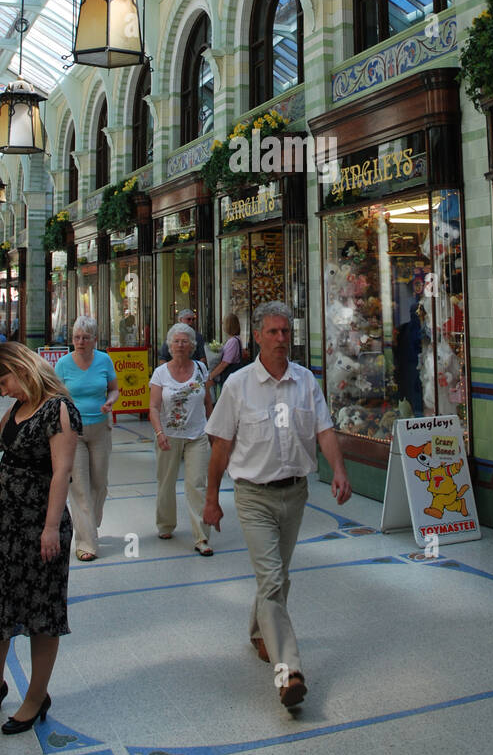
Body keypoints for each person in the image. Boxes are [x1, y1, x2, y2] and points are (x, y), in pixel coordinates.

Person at [203, 300, 352, 708]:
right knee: (272, 580)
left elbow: (324, 430)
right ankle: (290, 673)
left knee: (278, 575)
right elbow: (221, 447)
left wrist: (338, 470)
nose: (281, 339)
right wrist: (212, 499)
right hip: (253, 496)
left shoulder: (305, 381)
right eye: (273, 332)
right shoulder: (238, 386)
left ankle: (257, 631)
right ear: (256, 337)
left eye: (286, 332)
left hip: (296, 492)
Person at [0, 342, 79, 734]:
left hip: (41, 524)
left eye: (4, 381)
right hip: (7, 525)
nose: (3, 388)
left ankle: (36, 695)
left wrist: (49, 528)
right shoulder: (18, 406)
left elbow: (62, 473)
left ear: (22, 369)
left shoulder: (59, 409)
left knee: (41, 612)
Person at [54, 317, 119, 561]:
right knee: (79, 487)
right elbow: (54, 396)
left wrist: (111, 400)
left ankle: (91, 520)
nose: (80, 342)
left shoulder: (104, 360)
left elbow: (113, 388)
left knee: (99, 483)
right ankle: (86, 542)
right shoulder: (62, 365)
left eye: (85, 338)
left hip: (100, 429)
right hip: (73, 433)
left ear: (94, 340)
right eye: (76, 338)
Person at [149, 323, 214, 555]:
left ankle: (201, 536)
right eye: (176, 341)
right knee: (166, 483)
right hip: (168, 436)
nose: (179, 345)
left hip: (198, 434)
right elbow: (154, 407)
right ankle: (165, 524)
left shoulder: (201, 369)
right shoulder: (160, 373)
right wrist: (159, 433)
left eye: (184, 341)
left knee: (197, 484)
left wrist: (212, 430)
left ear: (192, 346)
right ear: (170, 345)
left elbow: (207, 401)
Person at [206, 313, 246, 389]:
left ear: (228, 325)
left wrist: (211, 375)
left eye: (224, 323)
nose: (222, 325)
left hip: (229, 377)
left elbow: (225, 363)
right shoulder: (236, 339)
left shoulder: (233, 341)